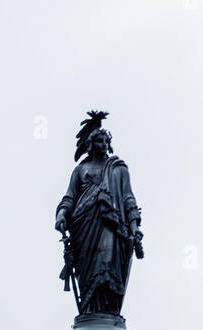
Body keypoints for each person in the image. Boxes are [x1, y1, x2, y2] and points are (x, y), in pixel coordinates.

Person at [55, 110, 143, 317]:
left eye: (106, 141)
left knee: (107, 263)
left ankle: (107, 311)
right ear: (91, 144)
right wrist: (61, 214)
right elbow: (69, 197)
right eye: (99, 141)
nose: (104, 144)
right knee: (87, 270)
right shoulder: (80, 170)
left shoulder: (118, 168)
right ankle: (89, 310)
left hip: (110, 223)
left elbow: (129, 198)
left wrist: (134, 227)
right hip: (83, 224)